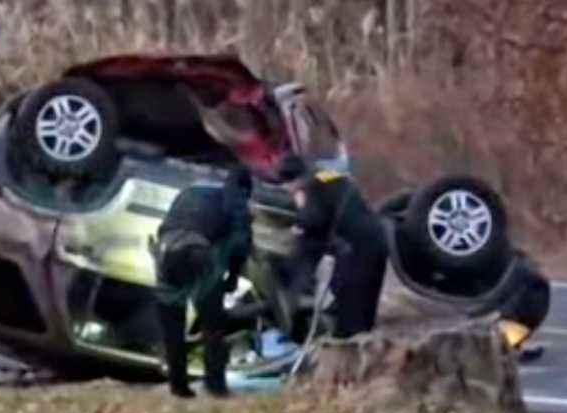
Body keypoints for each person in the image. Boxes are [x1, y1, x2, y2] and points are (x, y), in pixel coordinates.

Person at [149, 166, 255, 398]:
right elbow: (240, 245)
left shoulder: (190, 191)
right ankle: (215, 386)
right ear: (246, 190)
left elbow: (166, 224)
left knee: (172, 326)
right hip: (199, 256)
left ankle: (178, 386)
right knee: (212, 325)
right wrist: (232, 279)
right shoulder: (238, 203)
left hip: (166, 251)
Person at [277, 155, 389, 340]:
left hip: (357, 246)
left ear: (291, 182)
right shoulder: (327, 176)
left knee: (350, 297)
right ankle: (360, 334)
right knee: (357, 291)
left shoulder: (309, 186)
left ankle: (350, 341)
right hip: (375, 238)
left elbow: (314, 224)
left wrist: (300, 227)